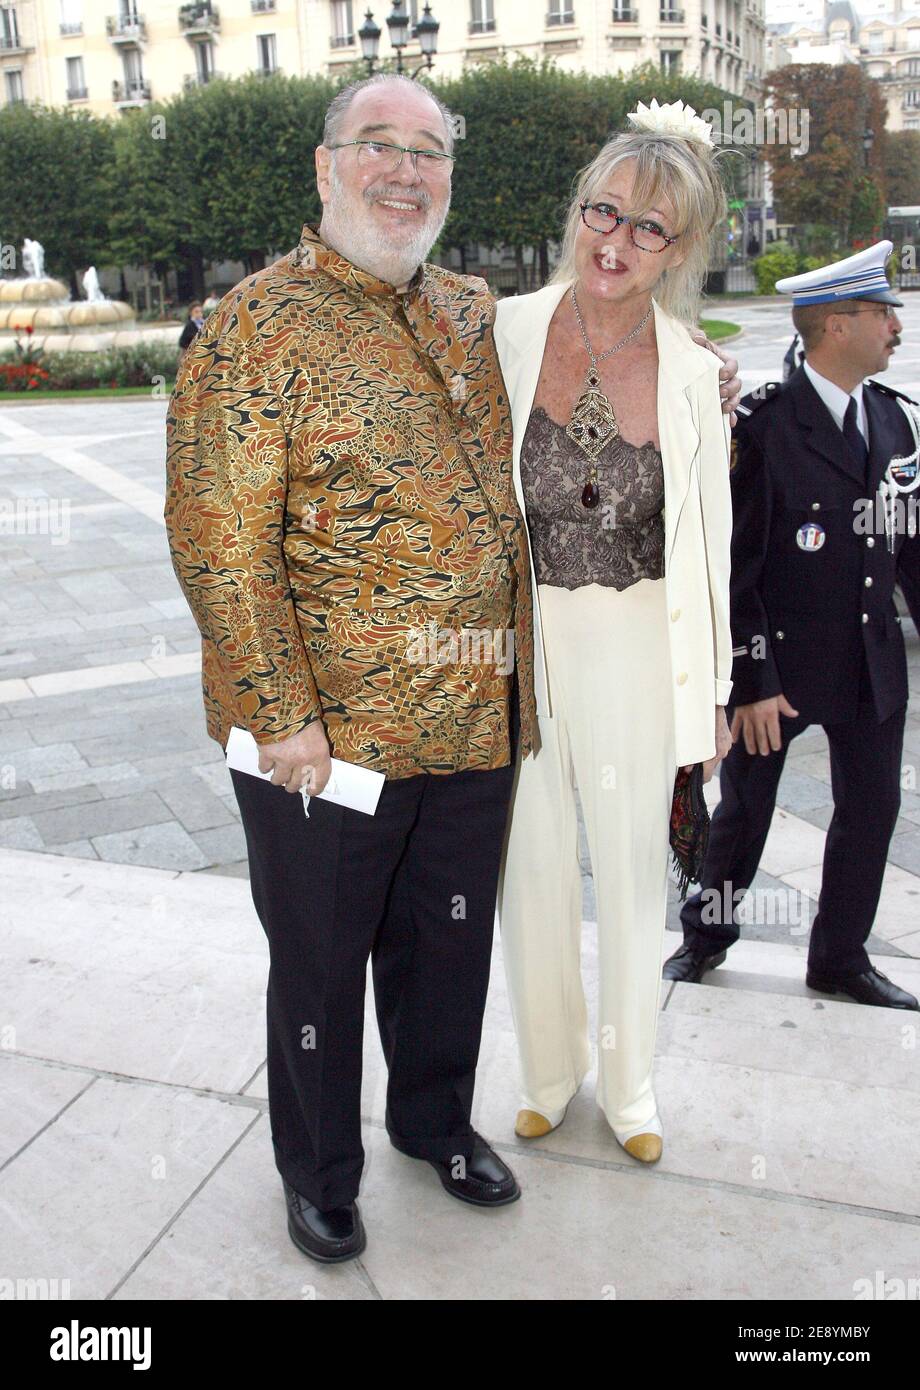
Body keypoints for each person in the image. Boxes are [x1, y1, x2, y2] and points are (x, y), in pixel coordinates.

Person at [165, 75, 742, 1264]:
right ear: (326, 168)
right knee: (320, 968)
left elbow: (599, 362)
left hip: (475, 719)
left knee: (448, 947)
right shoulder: (250, 328)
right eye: (377, 147)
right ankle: (318, 1174)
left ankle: (434, 1124)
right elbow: (216, 541)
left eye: (427, 153)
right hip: (325, 739)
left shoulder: (472, 311)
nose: (403, 172)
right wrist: (283, 721)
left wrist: (710, 384)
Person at [494, 99, 735, 1165]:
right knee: (528, 863)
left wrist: (714, 694)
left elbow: (713, 550)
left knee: (635, 872)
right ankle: (549, 1071)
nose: (617, 241)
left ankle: (629, 1083)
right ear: (577, 211)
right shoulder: (500, 330)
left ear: (678, 250)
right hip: (523, 642)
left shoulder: (693, 373)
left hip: (642, 650)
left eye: (651, 228)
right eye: (606, 210)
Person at [665, 241, 920, 1012]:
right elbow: (734, 566)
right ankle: (705, 938)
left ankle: (839, 959)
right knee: (744, 811)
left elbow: (909, 548)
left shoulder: (894, 422)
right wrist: (749, 681)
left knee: (872, 811)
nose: (896, 329)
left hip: (872, 663)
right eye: (883, 315)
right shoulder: (765, 429)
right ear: (836, 326)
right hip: (781, 670)